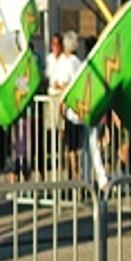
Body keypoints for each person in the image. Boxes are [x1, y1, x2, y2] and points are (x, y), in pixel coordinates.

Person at [47, 30, 83, 180]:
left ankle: (76, 175)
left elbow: (72, 83)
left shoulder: (74, 62)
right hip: (66, 108)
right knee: (69, 145)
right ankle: (71, 174)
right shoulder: (65, 60)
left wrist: (61, 87)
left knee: (74, 147)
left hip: (72, 110)